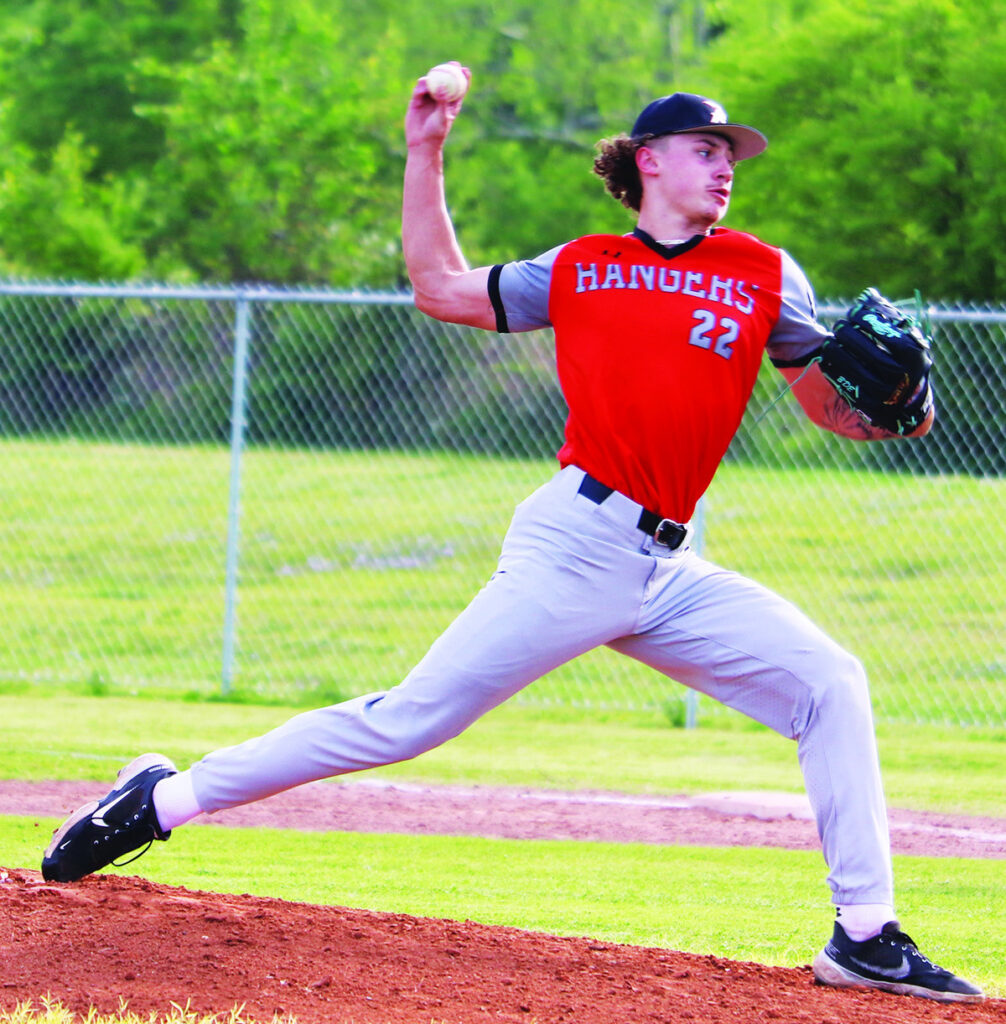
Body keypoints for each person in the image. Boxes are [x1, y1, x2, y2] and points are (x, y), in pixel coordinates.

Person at [42, 66, 983, 1005]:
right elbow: (440, 287)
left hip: (672, 565)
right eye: (706, 149)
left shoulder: (767, 274)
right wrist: (426, 151)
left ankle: (864, 936)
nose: (725, 165)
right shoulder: (578, 268)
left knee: (831, 683)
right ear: (650, 162)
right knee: (409, 722)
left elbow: (831, 407)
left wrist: (905, 404)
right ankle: (162, 799)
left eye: (730, 153)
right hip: (576, 545)